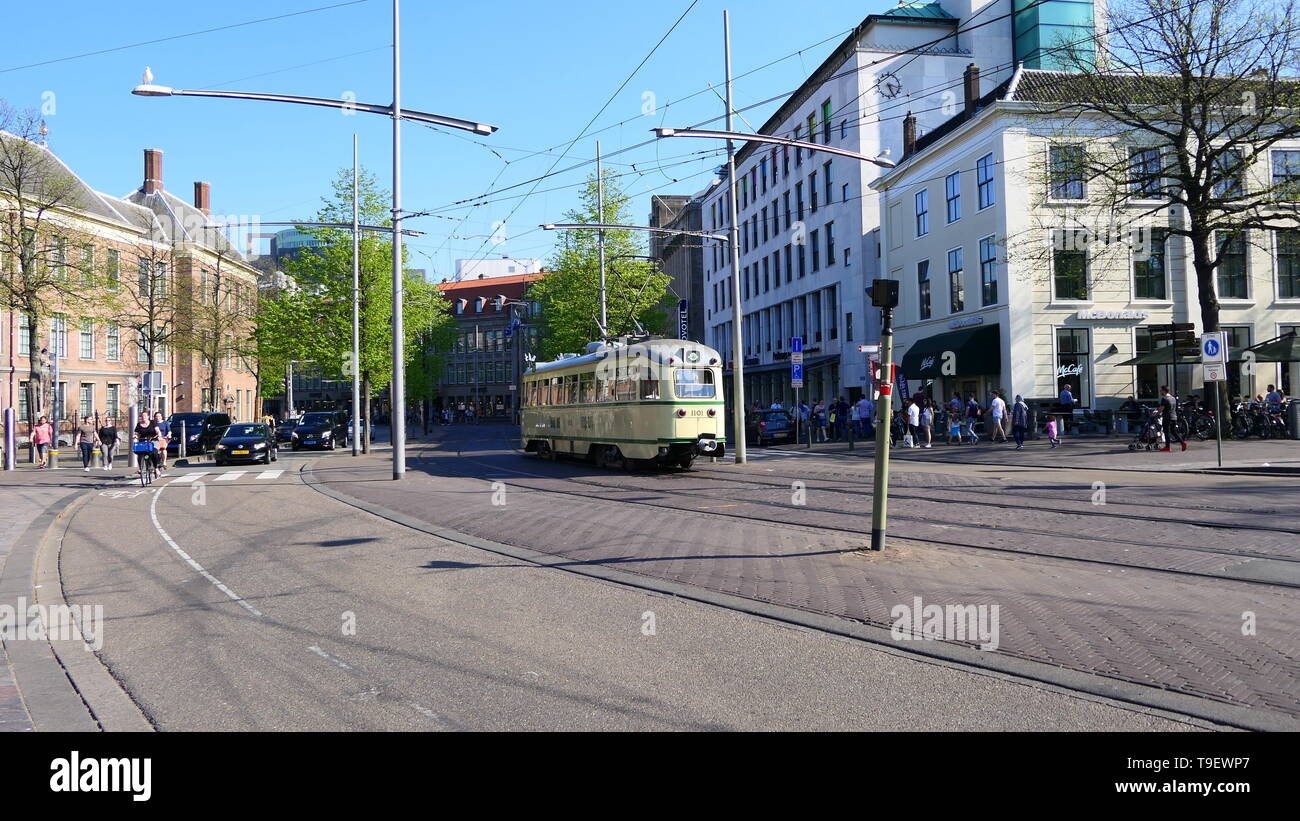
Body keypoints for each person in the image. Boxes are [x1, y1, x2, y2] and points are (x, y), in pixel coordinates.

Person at [1158, 385, 1186, 452]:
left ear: (1164, 391)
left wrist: (1156, 414)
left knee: (1166, 432)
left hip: (1167, 417)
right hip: (1174, 417)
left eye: (1161, 390)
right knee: (1173, 432)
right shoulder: (1173, 398)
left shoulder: (1164, 399)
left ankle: (1167, 447)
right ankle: (1183, 443)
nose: (1160, 391)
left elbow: (1161, 409)